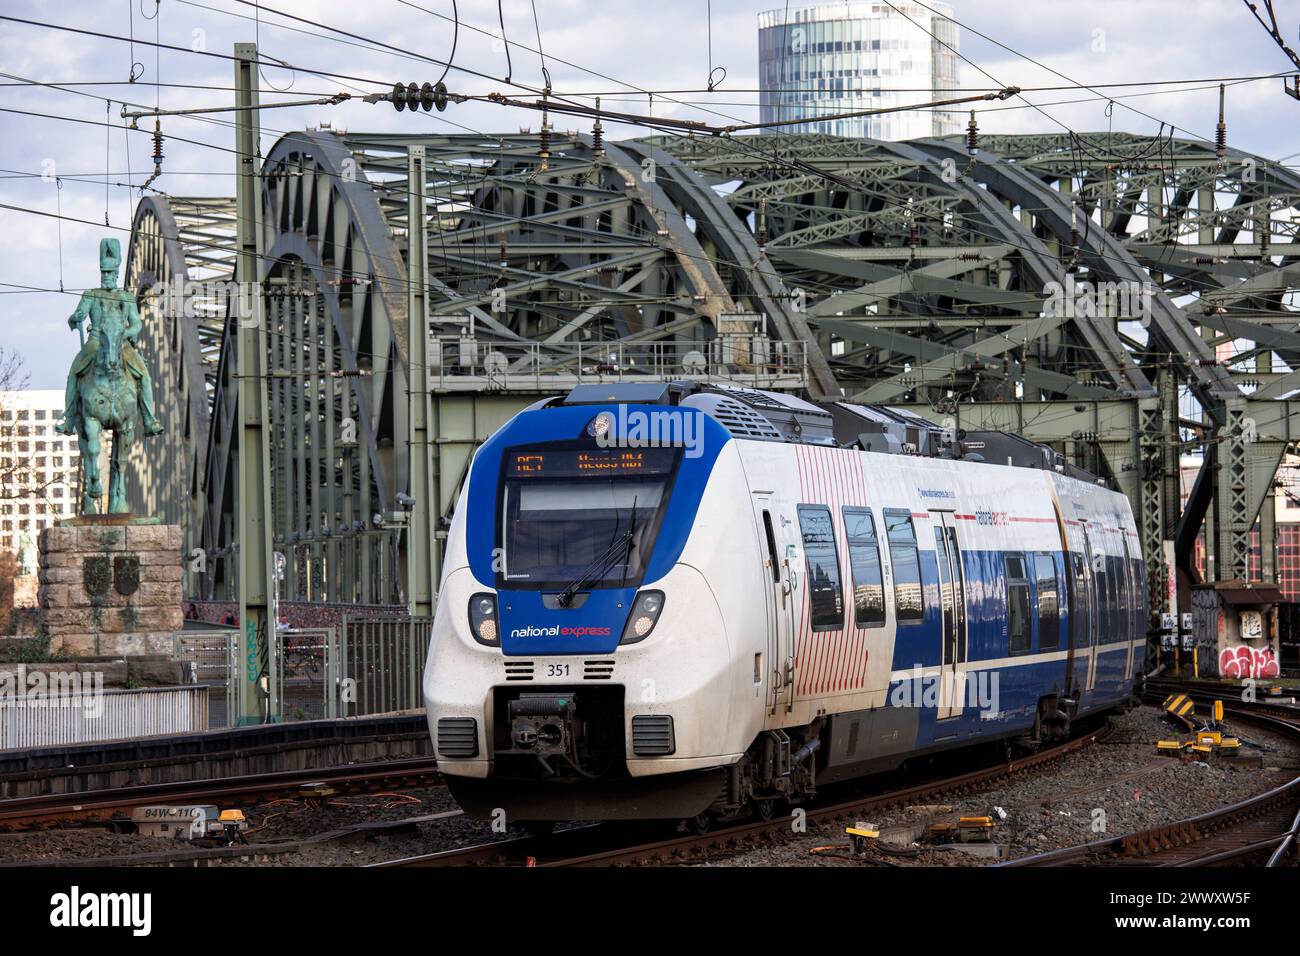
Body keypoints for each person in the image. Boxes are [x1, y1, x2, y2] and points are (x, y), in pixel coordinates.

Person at [55, 238, 163, 438]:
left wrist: (125, 333)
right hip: (95, 342)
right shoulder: (91, 295)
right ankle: (69, 418)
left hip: (121, 344)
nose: (107, 277)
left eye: (110, 273)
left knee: (144, 376)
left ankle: (149, 419)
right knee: (74, 374)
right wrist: (76, 318)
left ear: (117, 274)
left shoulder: (127, 298)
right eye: (104, 273)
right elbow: (78, 314)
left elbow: (136, 324)